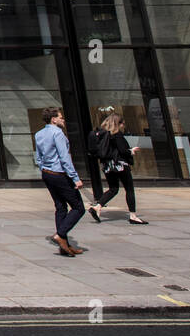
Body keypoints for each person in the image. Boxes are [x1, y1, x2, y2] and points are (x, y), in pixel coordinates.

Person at [33, 106, 86, 257]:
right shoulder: (58, 133)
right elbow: (64, 157)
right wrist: (75, 178)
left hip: (47, 174)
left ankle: (65, 245)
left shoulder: (39, 134)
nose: (63, 120)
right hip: (59, 174)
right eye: (61, 117)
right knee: (78, 207)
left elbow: (39, 157)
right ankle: (60, 234)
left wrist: (43, 169)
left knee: (60, 207)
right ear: (53, 119)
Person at [88, 113, 148, 225]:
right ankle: (133, 216)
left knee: (113, 189)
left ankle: (97, 206)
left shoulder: (102, 134)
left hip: (107, 165)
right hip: (119, 164)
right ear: (118, 124)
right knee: (129, 189)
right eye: (122, 124)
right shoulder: (117, 135)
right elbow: (123, 150)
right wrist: (131, 150)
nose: (123, 126)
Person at [84, 107, 113, 204]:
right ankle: (99, 205)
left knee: (114, 188)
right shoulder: (111, 135)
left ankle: (98, 204)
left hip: (104, 163)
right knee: (115, 188)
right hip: (115, 164)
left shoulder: (96, 134)